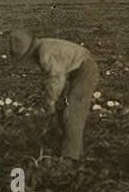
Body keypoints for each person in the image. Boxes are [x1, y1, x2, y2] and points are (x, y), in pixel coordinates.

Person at [8, 29, 100, 160]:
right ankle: (74, 149)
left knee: (73, 113)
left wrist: (51, 101)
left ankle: (70, 159)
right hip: (77, 70)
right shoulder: (44, 45)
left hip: (85, 70)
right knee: (63, 110)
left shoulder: (44, 53)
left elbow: (56, 77)